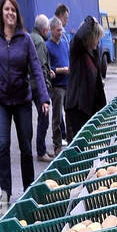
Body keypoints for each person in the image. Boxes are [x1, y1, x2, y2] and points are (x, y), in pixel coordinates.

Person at [0, 0, 49, 207]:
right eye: (6, 9)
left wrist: (44, 97)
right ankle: (5, 194)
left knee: (26, 147)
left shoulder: (25, 39)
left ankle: (28, 193)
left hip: (21, 100)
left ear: (17, 14)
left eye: (13, 10)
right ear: (1, 12)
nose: (10, 13)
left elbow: (36, 69)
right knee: (3, 145)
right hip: (0, 100)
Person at [65, 16, 106, 140]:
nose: (98, 42)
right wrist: (91, 20)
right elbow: (78, 36)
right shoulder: (77, 50)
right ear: (89, 37)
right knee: (79, 145)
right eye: (97, 38)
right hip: (77, 108)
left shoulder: (93, 53)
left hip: (89, 109)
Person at [30, 13, 53, 160]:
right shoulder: (40, 42)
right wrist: (46, 86)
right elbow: (40, 67)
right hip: (38, 86)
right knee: (44, 118)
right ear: (44, 30)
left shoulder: (30, 37)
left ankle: (41, 150)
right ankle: (41, 151)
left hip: (30, 85)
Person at [47, 14, 70, 154]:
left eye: (61, 30)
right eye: (58, 30)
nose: (61, 33)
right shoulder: (47, 46)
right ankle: (57, 145)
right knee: (57, 116)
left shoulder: (64, 43)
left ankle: (71, 140)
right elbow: (48, 68)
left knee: (70, 114)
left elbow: (68, 59)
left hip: (68, 84)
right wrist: (62, 70)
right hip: (57, 86)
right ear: (51, 30)